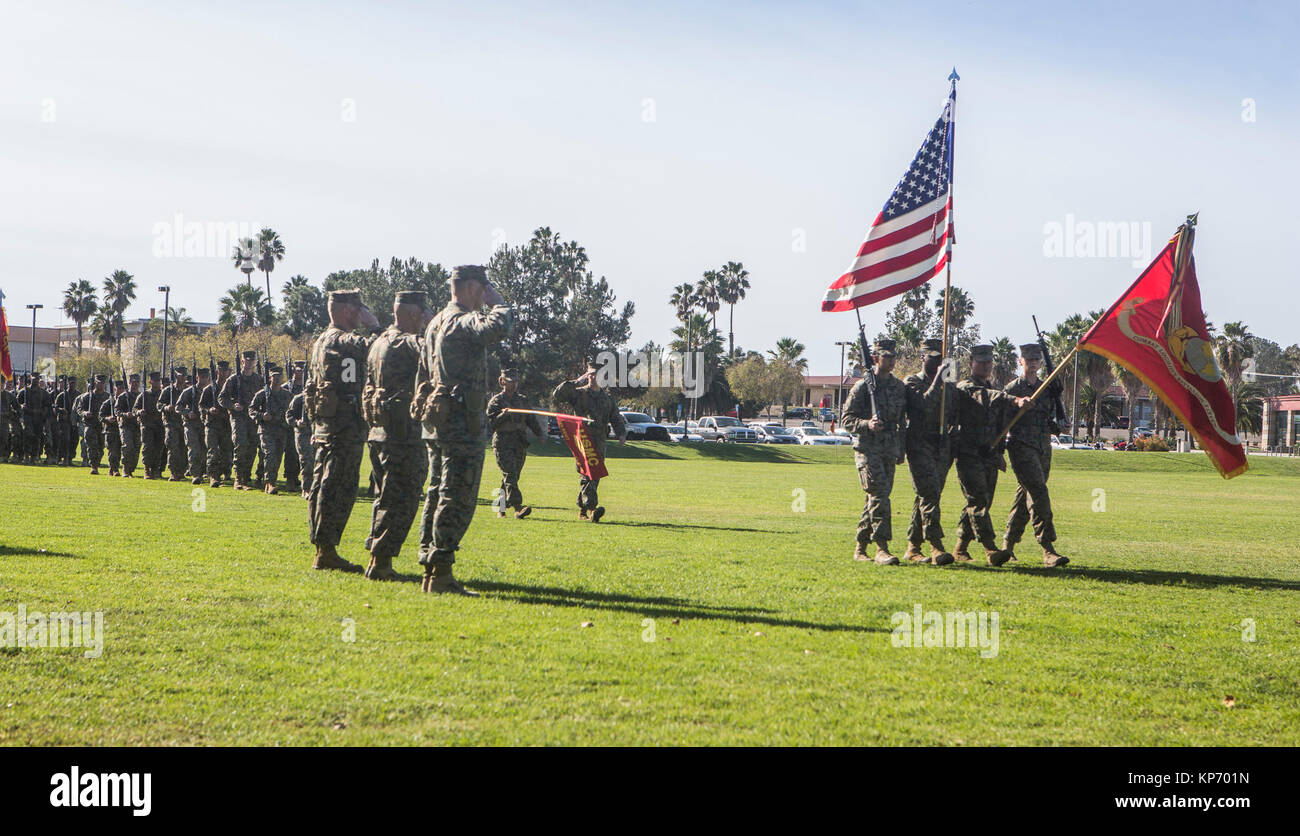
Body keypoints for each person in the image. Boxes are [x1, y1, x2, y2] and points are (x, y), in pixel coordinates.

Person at [415, 266, 512, 594]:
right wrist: (498, 302)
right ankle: (441, 571)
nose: (485, 294)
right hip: (460, 424)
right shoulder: (461, 320)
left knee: (435, 491)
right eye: (483, 288)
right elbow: (501, 325)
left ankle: (429, 563)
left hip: (438, 421)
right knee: (456, 495)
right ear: (473, 287)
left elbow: (421, 374)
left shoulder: (434, 323)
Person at [306, 288, 382, 573]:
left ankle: (325, 549)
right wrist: (374, 325)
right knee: (337, 486)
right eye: (356, 308)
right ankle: (325, 551)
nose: (359, 313)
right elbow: (375, 350)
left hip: (331, 425)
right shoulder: (340, 338)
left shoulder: (323, 339)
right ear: (344, 310)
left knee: (326, 485)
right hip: (343, 426)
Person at [362, 291, 433, 580]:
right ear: (415, 314)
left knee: (384, 496)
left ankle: (375, 555)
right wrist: (432, 326)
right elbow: (433, 350)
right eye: (424, 312)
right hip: (401, 435)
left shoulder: (378, 342)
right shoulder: (407, 342)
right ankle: (381, 563)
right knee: (401, 498)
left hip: (380, 431)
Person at [952, 345, 1028, 566]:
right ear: (971, 364)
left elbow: (1000, 425)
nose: (985, 366)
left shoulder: (994, 389)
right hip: (968, 453)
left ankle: (960, 548)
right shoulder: (966, 387)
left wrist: (1000, 453)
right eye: (981, 362)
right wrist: (1013, 399)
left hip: (989, 454)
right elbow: (985, 396)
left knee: (982, 502)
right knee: (977, 501)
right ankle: (990, 549)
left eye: (988, 362)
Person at [1002, 343, 1070, 568]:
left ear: (1040, 363)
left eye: (1035, 360)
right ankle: (1047, 548)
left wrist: (1061, 426)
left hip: (1043, 447)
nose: (1032, 363)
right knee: (1039, 493)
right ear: (1020, 361)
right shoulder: (1012, 388)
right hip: (1021, 446)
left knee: (1025, 496)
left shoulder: (1046, 388)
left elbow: (1048, 420)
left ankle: (1007, 546)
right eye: (1027, 359)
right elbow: (1001, 418)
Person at [841, 339, 907, 565]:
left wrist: (901, 449)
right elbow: (846, 419)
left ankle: (860, 548)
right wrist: (866, 424)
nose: (891, 360)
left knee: (876, 498)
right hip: (868, 449)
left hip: (889, 448)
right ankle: (881, 548)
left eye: (893, 356)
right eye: (886, 356)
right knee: (879, 496)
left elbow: (901, 421)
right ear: (876, 358)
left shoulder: (898, 387)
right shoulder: (863, 387)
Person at [901, 339, 958, 566]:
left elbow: (954, 408)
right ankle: (935, 545)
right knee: (929, 494)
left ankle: (913, 547)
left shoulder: (948, 383)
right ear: (922, 357)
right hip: (919, 443)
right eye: (932, 358)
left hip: (942, 444)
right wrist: (938, 380)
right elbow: (924, 405)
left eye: (940, 359)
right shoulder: (912, 381)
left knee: (927, 495)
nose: (937, 363)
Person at [551, 361, 627, 522]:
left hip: (599, 440)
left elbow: (616, 417)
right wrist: (576, 382)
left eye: (596, 374)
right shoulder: (578, 393)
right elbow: (557, 395)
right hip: (582, 438)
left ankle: (582, 508)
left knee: (595, 474)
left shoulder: (607, 398)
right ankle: (592, 508)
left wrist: (621, 433)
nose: (593, 377)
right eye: (591, 374)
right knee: (587, 473)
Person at [486, 369, 544, 519]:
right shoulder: (496, 401)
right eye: (510, 380)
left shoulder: (523, 401)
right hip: (502, 443)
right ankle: (518, 508)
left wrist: (540, 434)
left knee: (512, 477)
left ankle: (501, 509)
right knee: (510, 475)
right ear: (502, 381)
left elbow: (531, 420)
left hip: (519, 442)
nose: (514, 384)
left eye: (516, 381)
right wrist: (503, 415)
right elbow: (490, 424)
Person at [219, 350, 263, 490]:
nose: (249, 363)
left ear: (254, 362)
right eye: (247, 360)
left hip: (253, 418)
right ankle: (238, 478)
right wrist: (232, 405)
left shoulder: (258, 379)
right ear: (242, 361)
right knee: (240, 444)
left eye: (252, 360)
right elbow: (222, 398)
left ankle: (246, 477)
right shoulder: (233, 379)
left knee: (251, 448)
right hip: (238, 417)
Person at [249, 364, 293, 494]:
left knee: (278, 456)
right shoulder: (262, 394)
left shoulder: (287, 395)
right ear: (270, 377)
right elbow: (251, 410)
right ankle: (270, 482)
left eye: (280, 376)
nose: (278, 379)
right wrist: (262, 416)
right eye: (275, 376)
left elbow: (291, 412)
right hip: (267, 430)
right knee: (270, 455)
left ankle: (269, 479)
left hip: (281, 430)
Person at [201, 361, 234, 488]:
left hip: (226, 424)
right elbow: (201, 405)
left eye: (226, 371)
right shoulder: (209, 388)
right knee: (213, 451)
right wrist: (209, 410)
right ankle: (213, 476)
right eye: (221, 370)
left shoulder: (232, 387)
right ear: (217, 372)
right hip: (212, 424)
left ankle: (225, 472)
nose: (224, 373)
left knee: (226, 452)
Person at [178, 366, 209, 485]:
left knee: (204, 450)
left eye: (206, 377)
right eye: (202, 377)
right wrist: (187, 412)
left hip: (205, 424)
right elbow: (178, 406)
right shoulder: (189, 391)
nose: (204, 380)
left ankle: (203, 472)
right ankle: (195, 474)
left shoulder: (210, 391)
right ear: (197, 378)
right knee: (194, 449)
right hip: (191, 424)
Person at [285, 371, 313, 500]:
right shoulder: (298, 399)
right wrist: (296, 422)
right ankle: (306, 488)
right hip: (302, 434)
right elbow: (289, 416)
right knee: (306, 461)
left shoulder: (318, 399)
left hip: (316, 433)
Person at [134, 371, 166, 479]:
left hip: (160, 424)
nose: (156, 382)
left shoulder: (163, 393)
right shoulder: (144, 395)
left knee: (158, 448)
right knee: (147, 448)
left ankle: (156, 469)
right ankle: (147, 469)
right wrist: (139, 412)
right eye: (154, 380)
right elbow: (135, 408)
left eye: (158, 380)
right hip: (147, 424)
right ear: (150, 381)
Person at [78, 375, 111, 475]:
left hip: (102, 425)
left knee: (100, 447)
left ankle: (96, 463)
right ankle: (94, 466)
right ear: (95, 383)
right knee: (92, 447)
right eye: (99, 383)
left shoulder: (108, 397)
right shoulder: (87, 396)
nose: (100, 385)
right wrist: (85, 413)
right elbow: (79, 409)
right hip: (90, 424)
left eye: (102, 383)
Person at [159, 367, 188, 481]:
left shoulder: (188, 390)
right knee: (173, 446)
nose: (183, 378)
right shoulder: (167, 390)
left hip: (184, 423)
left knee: (183, 448)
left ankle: (181, 472)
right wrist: (166, 407)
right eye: (181, 375)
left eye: (185, 375)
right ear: (176, 377)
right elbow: (159, 405)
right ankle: (173, 472)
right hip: (171, 422)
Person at [281, 361, 306, 494]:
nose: (299, 372)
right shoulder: (285, 387)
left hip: (303, 426)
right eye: (297, 370)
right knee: (290, 454)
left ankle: (298, 478)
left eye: (302, 370)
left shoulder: (306, 388)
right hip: (288, 424)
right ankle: (290, 479)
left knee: (301, 455)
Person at [100, 379, 126, 476]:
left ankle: (117, 468)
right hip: (111, 429)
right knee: (113, 451)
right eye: (119, 389)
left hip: (122, 429)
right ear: (115, 389)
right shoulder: (108, 402)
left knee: (121, 451)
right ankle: (114, 468)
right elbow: (101, 416)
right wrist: (108, 419)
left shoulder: (126, 401)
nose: (121, 390)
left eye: (123, 388)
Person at [118, 374, 142, 477]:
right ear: (129, 383)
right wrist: (125, 414)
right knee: (127, 447)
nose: (135, 384)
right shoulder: (123, 396)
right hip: (126, 425)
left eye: (137, 382)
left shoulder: (141, 396)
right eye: (133, 382)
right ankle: (125, 468)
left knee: (136, 448)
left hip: (137, 426)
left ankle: (131, 469)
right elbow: (117, 410)